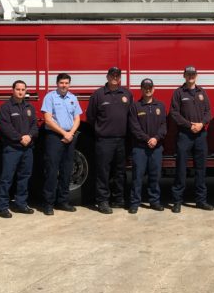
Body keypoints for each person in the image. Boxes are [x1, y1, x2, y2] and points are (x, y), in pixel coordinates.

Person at [86, 67, 133, 214]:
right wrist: (101, 130)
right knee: (103, 172)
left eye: (117, 75)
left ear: (120, 78)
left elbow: (131, 116)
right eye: (112, 75)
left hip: (122, 140)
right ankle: (102, 201)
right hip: (104, 140)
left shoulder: (126, 93)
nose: (114, 77)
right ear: (107, 77)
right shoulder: (98, 94)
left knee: (120, 171)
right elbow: (91, 116)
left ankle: (119, 199)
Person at [170, 66, 213, 212]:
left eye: (193, 74)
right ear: (184, 75)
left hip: (200, 135)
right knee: (181, 168)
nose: (191, 76)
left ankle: (201, 200)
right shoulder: (178, 92)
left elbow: (208, 112)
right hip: (184, 135)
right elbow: (174, 113)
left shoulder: (202, 92)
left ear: (196, 75)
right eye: (188, 74)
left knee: (201, 169)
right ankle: (177, 201)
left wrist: (201, 124)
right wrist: (190, 125)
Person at [0, 80, 39, 218]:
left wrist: (30, 136)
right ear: (12, 90)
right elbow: (5, 127)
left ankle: (21, 204)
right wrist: (20, 138)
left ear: (26, 91)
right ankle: (2, 207)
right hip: (12, 149)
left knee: (24, 177)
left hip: (27, 149)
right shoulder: (5, 108)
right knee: (7, 178)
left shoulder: (30, 107)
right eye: (18, 89)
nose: (20, 92)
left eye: (23, 89)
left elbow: (35, 126)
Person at [40, 72, 82, 215]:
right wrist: (64, 134)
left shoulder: (73, 98)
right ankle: (48, 204)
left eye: (66, 83)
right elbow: (47, 119)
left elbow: (77, 118)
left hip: (70, 136)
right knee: (51, 171)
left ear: (69, 84)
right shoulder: (50, 97)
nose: (64, 85)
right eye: (61, 83)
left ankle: (63, 201)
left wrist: (70, 133)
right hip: (54, 137)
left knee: (67, 170)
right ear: (57, 84)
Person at [127, 78, 167, 214]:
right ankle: (134, 203)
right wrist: (147, 139)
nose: (148, 90)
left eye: (150, 87)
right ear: (141, 89)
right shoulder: (135, 106)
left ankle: (154, 201)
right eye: (145, 87)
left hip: (156, 147)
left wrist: (155, 139)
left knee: (155, 175)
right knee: (137, 176)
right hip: (140, 148)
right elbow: (134, 127)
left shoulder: (160, 106)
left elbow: (163, 126)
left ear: (153, 89)